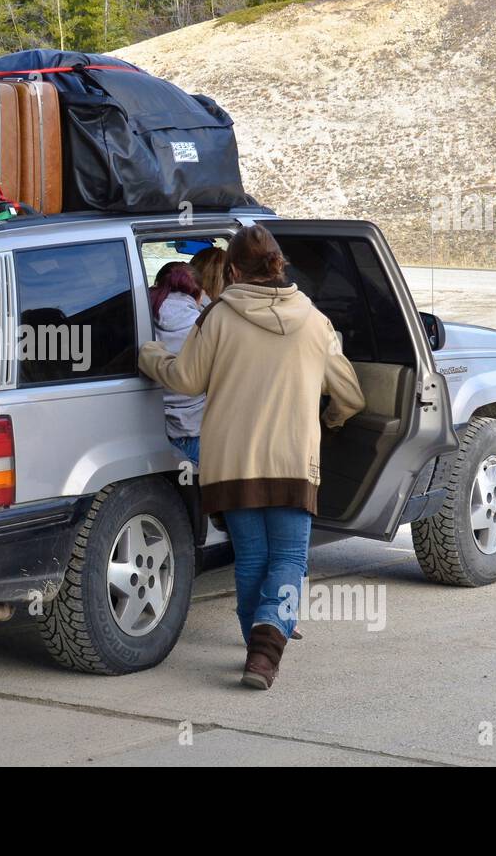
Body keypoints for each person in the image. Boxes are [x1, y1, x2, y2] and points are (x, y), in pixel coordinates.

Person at [139, 223, 365, 690]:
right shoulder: (314, 320)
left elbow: (184, 380)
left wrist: (149, 355)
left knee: (252, 559)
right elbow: (350, 395)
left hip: (232, 462)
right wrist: (334, 421)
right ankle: (266, 649)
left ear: (235, 269)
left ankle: (257, 651)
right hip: (292, 461)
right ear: (278, 263)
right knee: (288, 560)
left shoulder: (218, 317)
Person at [148, 262, 205, 465]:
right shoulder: (204, 326)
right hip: (195, 430)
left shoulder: (142, 318)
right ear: (198, 295)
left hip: (154, 429)